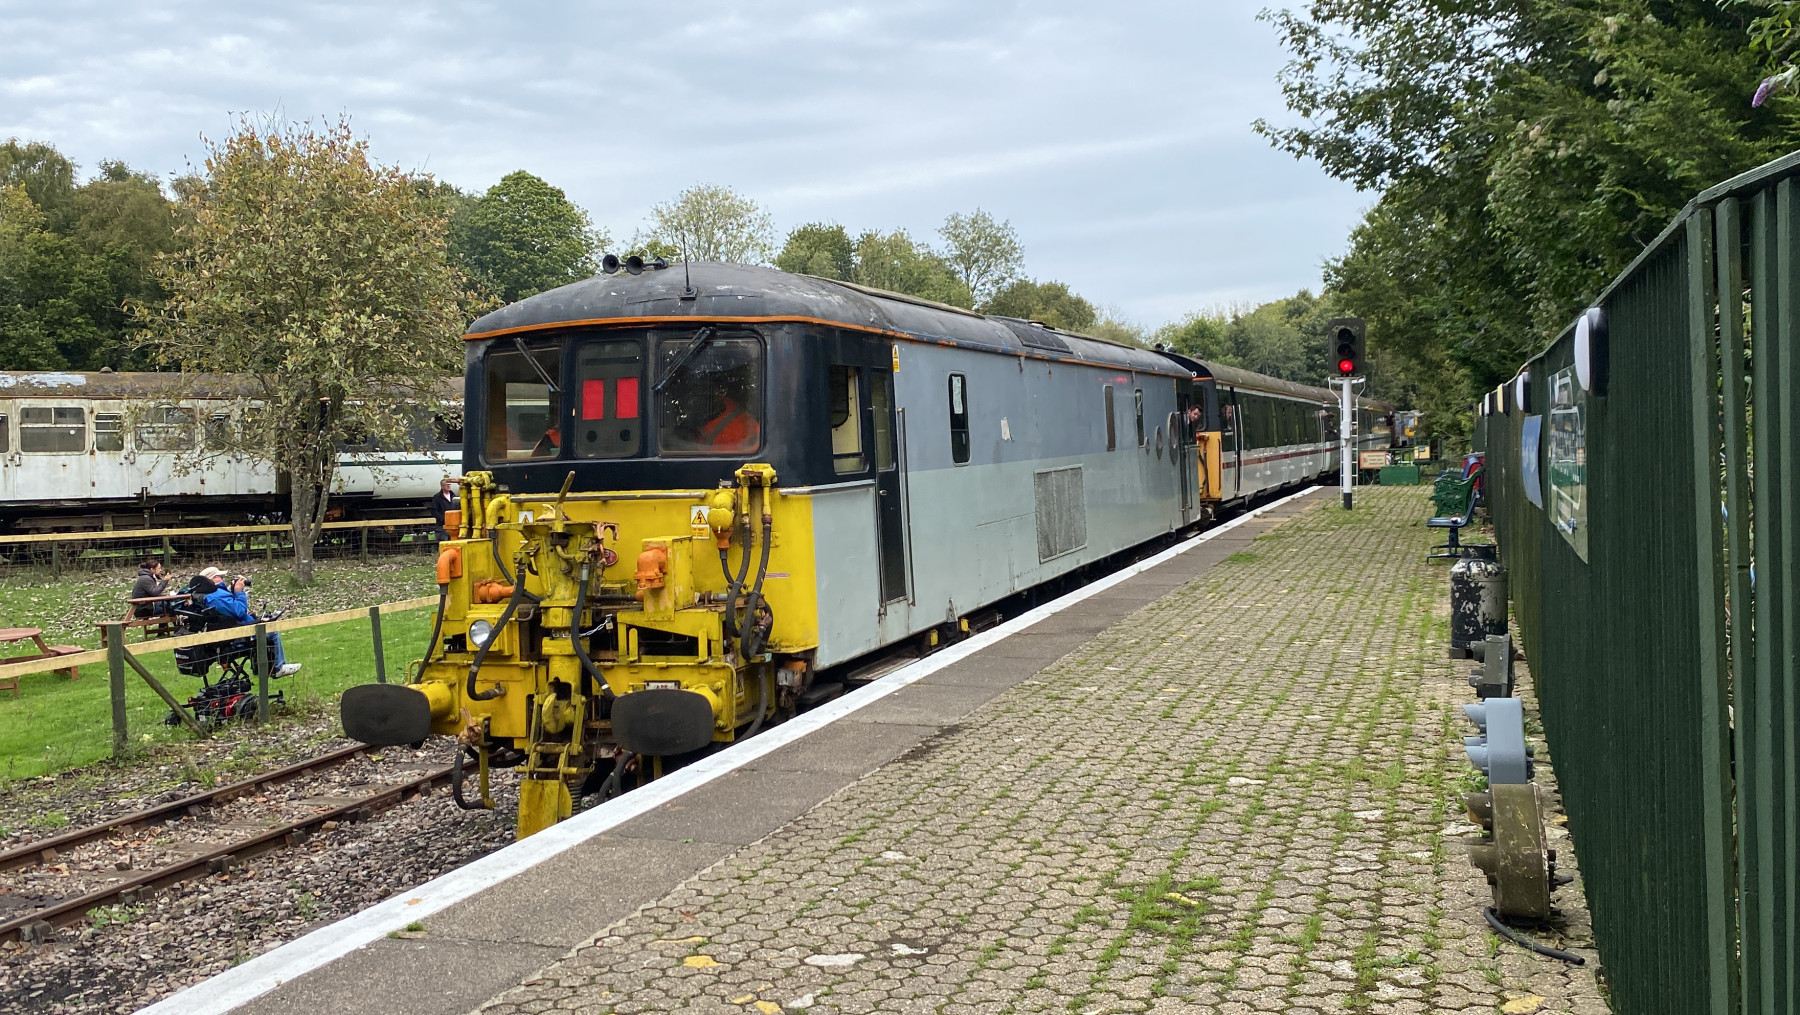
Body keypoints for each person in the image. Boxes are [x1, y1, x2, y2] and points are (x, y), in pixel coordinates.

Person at [203, 575, 302, 677]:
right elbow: (240, 611)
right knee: (271, 631)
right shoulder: (216, 596)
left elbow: (231, 612)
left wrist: (234, 591)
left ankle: (266, 668)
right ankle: (277, 668)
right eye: (219, 576)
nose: (223, 578)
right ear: (210, 579)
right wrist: (238, 592)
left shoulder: (214, 595)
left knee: (265, 624)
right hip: (237, 637)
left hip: (235, 632)